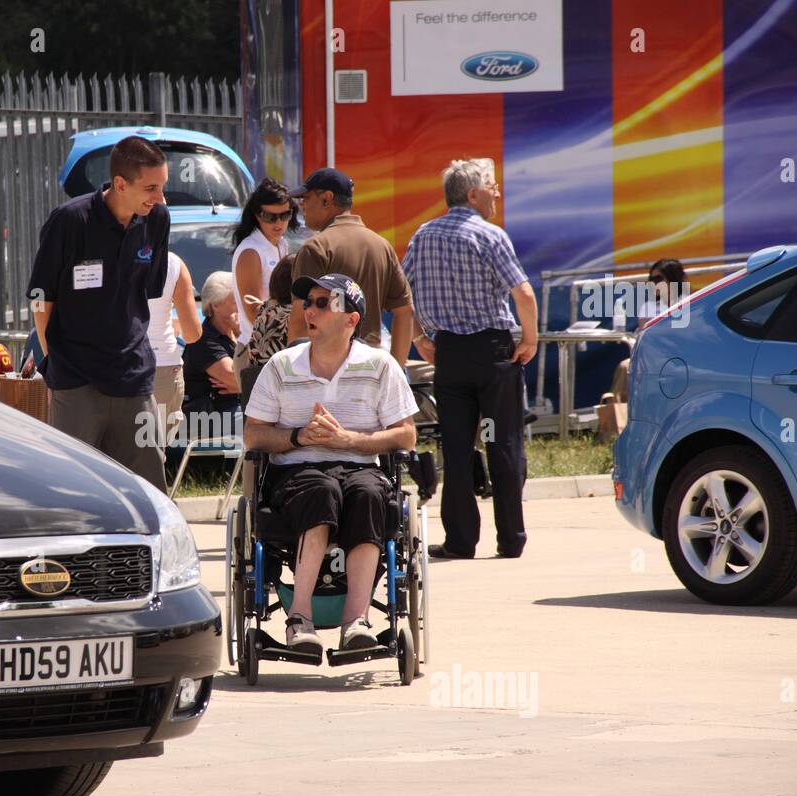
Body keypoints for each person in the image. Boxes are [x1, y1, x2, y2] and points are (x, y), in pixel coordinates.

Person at [243, 272, 417, 653]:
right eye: (308, 302)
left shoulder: (380, 365)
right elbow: (253, 434)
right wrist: (298, 436)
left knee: (370, 495)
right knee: (321, 490)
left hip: (360, 467)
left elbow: (406, 435)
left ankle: (357, 621)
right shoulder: (282, 365)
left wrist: (351, 440)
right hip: (295, 470)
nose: (310, 309)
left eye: (324, 303)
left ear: (351, 319)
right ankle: (299, 619)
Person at [402, 158, 538, 560]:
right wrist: (529, 339)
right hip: (494, 354)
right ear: (472, 193)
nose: (498, 193)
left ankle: (461, 541)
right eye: (492, 186)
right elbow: (524, 294)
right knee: (502, 443)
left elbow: (401, 293)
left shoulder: (423, 235)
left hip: (450, 357)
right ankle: (510, 539)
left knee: (458, 450)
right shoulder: (490, 235)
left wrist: (419, 337)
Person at [28, 135, 171, 491]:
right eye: (151, 188)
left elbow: (146, 292)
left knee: (147, 492)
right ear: (120, 184)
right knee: (73, 491)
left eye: (163, 187)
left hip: (134, 380)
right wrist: (52, 363)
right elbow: (40, 300)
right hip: (76, 384)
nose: (161, 198)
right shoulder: (70, 221)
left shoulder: (156, 219)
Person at [289, 168, 417, 356]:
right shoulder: (382, 246)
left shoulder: (316, 248)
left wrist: (297, 375)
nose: (302, 206)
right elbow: (405, 311)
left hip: (327, 367)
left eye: (305, 199)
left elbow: (301, 319)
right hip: (370, 363)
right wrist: (396, 367)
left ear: (326, 199)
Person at [607, 258, 686, 403]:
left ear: (673, 279)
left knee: (628, 367)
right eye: (651, 279)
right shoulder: (649, 306)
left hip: (682, 359)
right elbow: (646, 337)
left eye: (658, 278)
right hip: (651, 358)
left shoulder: (690, 303)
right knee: (625, 367)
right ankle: (619, 419)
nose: (652, 283)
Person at [231, 177, 298, 346]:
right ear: (257, 215)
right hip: (255, 351)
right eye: (270, 217)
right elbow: (253, 312)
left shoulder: (282, 244)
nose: (279, 223)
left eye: (285, 215)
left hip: (276, 347)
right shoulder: (251, 252)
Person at [147, 250, 201, 450]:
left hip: (116, 364)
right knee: (155, 454)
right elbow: (192, 334)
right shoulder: (173, 263)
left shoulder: (106, 254)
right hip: (163, 365)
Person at [181, 271, 242, 433]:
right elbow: (235, 377)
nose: (242, 306)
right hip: (211, 416)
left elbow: (252, 378)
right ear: (215, 305)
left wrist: (242, 386)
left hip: (236, 407)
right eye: (236, 302)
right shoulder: (202, 338)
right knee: (262, 426)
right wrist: (244, 385)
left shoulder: (236, 333)